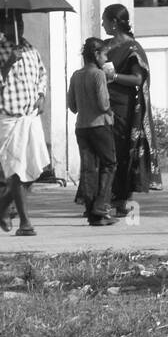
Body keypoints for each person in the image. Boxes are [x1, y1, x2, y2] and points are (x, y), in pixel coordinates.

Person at [0, 12, 48, 236]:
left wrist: (41, 95)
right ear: (2, 26)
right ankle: (25, 222)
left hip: (30, 116)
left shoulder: (32, 49)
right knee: (16, 171)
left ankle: (2, 203)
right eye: (12, 23)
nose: (18, 27)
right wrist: (9, 62)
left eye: (20, 23)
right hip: (9, 117)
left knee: (34, 169)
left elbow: (42, 74)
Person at [101, 3, 159, 215]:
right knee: (104, 153)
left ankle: (124, 200)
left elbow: (137, 78)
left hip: (124, 109)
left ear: (114, 23)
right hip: (102, 107)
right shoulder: (105, 46)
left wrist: (114, 77)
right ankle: (103, 199)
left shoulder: (132, 49)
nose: (102, 24)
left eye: (105, 20)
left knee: (122, 152)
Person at [67, 37, 118, 226]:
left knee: (88, 169)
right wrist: (110, 109)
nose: (105, 59)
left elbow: (72, 106)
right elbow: (104, 104)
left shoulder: (76, 75)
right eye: (104, 55)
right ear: (96, 55)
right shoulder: (98, 75)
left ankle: (90, 210)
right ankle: (101, 205)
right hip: (100, 126)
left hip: (82, 127)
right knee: (109, 164)